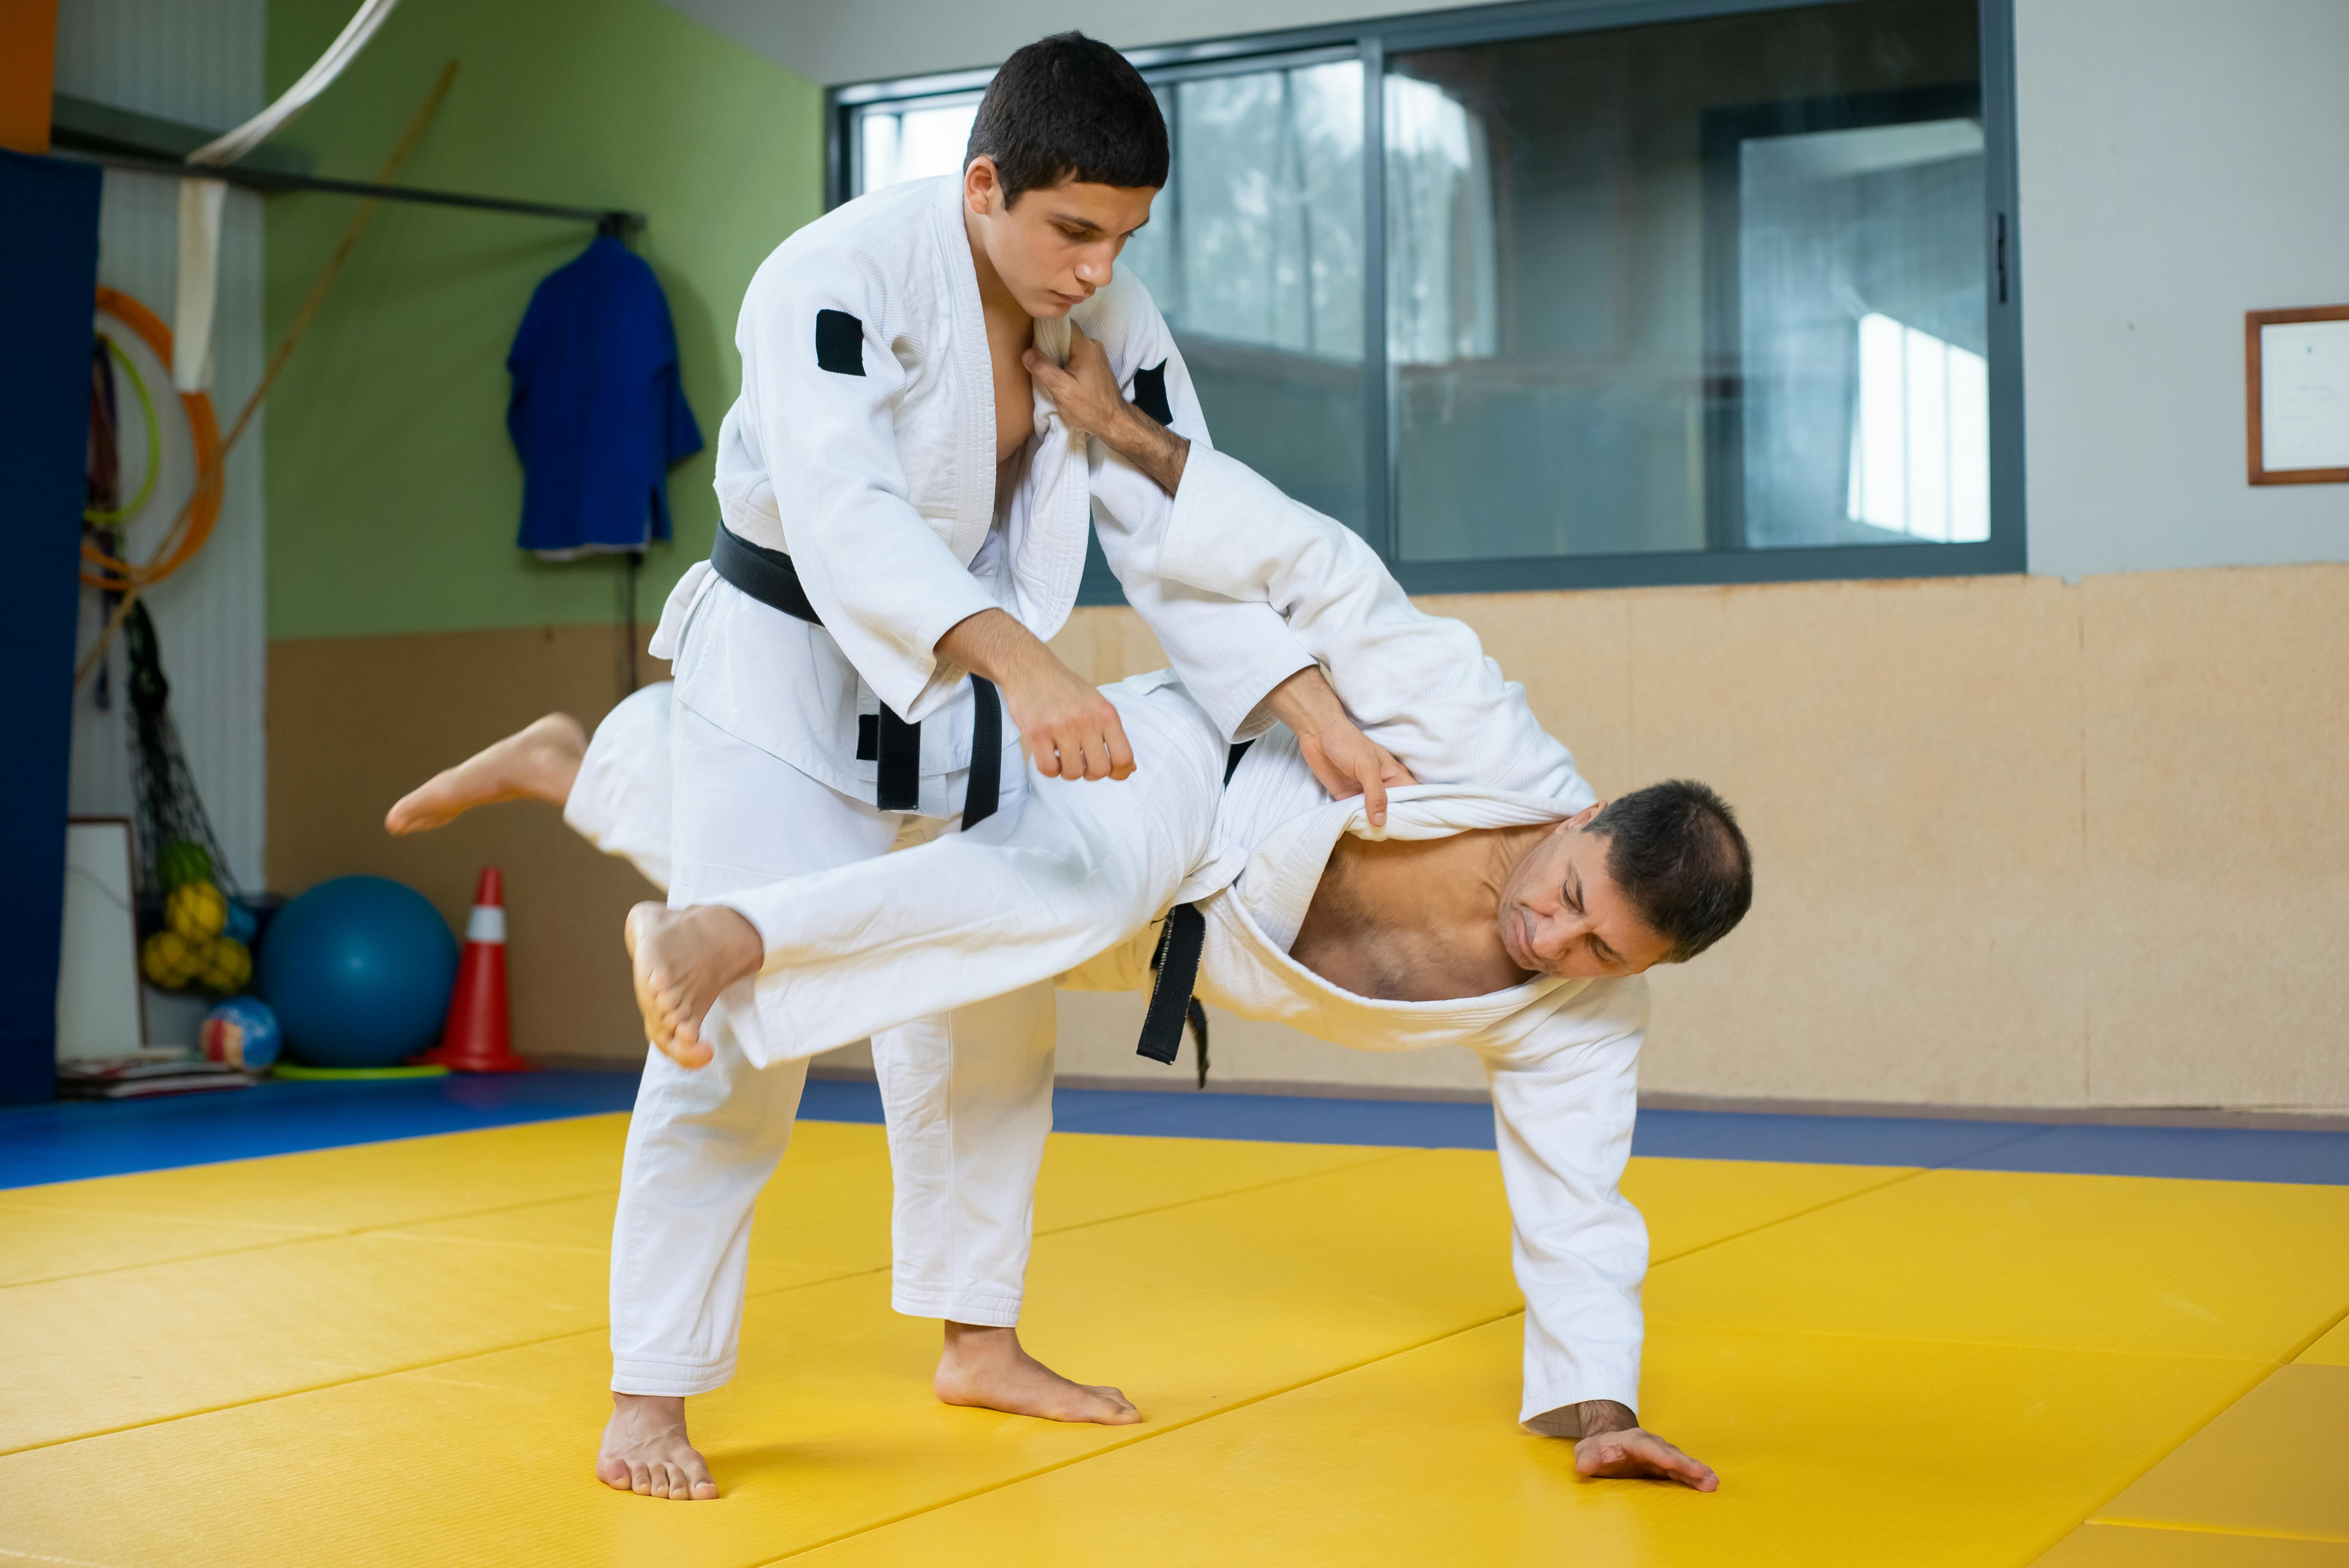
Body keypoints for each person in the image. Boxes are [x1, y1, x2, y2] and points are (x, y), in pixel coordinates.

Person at [391, 341, 1751, 1495]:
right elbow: (1314, 562)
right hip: (1183, 775)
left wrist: (1604, 1411)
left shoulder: (1583, 1015)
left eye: (1603, 951)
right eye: (1569, 900)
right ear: (1581, 819)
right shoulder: (1481, 725)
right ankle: (736, 936)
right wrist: (1122, 433)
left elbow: (1581, 1208)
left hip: (1181, 942)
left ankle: (590, 774)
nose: (1554, 943)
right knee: (1040, 893)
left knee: (974, 1023)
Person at [394, 32, 1405, 1502]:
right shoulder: (832, 275)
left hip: (968, 689)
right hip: (789, 664)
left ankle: (977, 1339)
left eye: (1123, 237)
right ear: (984, 181)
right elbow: (850, 514)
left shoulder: (1109, 310)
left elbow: (1178, 513)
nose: (1093, 269)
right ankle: (651, 1392)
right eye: (1070, 231)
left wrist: (1298, 694)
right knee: (740, 1022)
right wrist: (1033, 665)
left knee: (994, 1012)